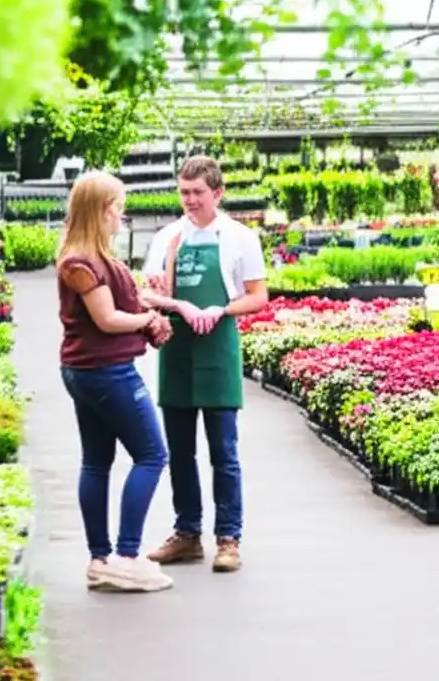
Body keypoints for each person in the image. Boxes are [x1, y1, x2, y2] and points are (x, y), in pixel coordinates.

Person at [139, 156, 267, 573]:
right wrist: (164, 295)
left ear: (218, 193)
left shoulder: (240, 238)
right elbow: (149, 292)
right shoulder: (166, 238)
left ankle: (228, 538)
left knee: (223, 451)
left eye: (197, 193)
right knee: (179, 452)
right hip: (176, 349)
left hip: (218, 348)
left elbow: (257, 296)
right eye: (184, 192)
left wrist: (220, 309)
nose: (189, 201)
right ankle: (187, 533)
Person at [56, 171, 175, 593]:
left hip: (86, 371)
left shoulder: (87, 257)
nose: (120, 215)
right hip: (106, 371)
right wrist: (147, 320)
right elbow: (107, 320)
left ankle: (100, 559)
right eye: (118, 207)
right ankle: (125, 556)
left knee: (96, 461)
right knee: (152, 454)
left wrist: (145, 306)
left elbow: (115, 307)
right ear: (102, 209)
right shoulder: (82, 262)